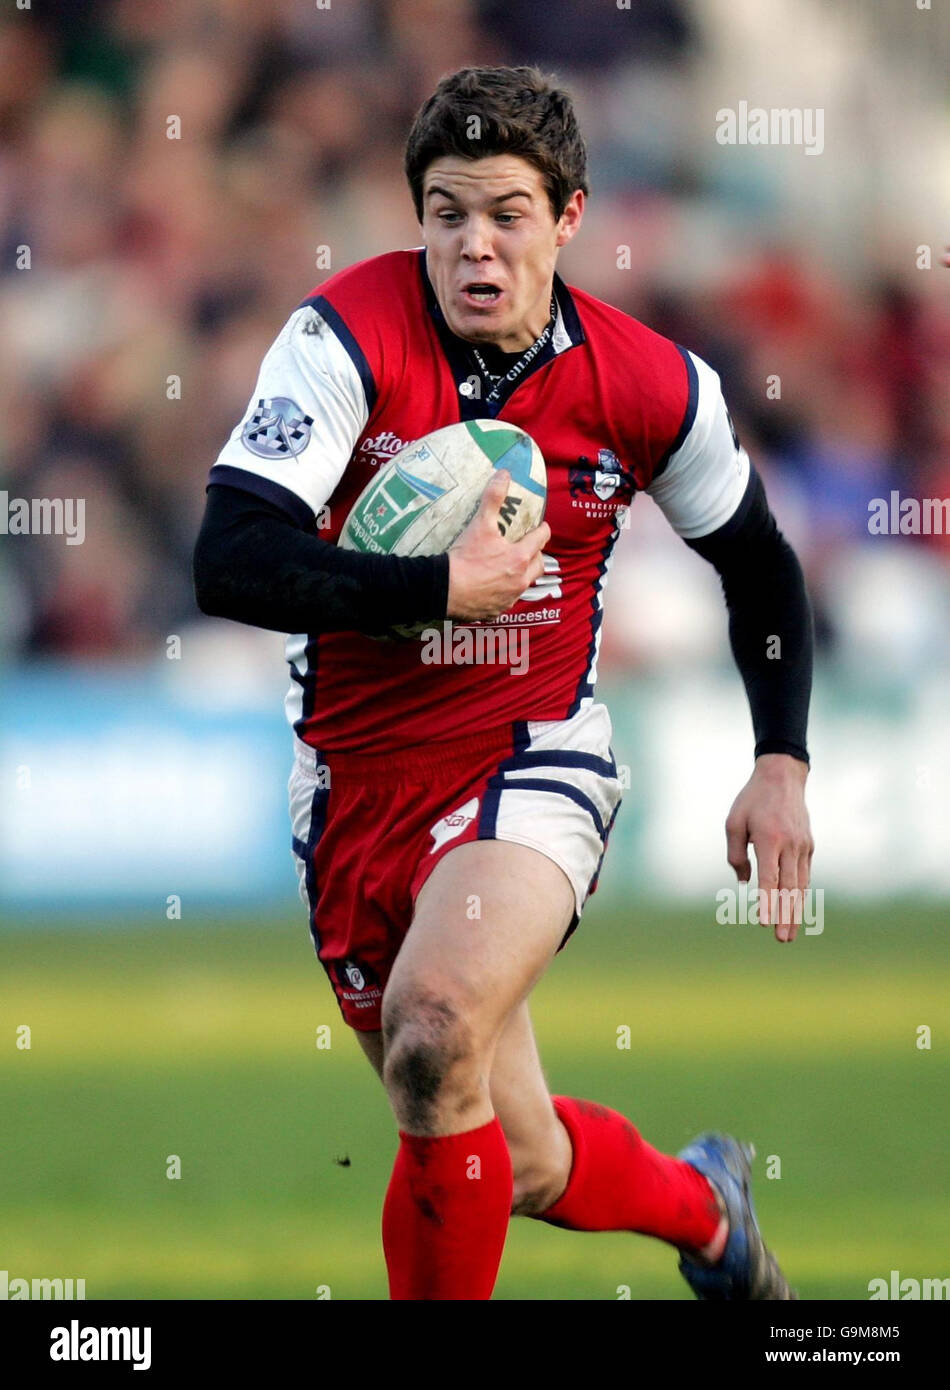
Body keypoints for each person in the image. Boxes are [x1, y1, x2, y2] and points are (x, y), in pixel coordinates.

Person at [193, 65, 814, 1301]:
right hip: (354, 785)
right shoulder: (341, 339)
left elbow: (759, 567)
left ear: (568, 217)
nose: (472, 246)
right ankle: (706, 1208)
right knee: (510, 1148)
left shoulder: (647, 384)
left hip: (529, 761)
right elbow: (230, 555)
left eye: (505, 214)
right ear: (414, 213)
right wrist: (434, 590)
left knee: (432, 1029)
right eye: (445, 213)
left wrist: (779, 760)